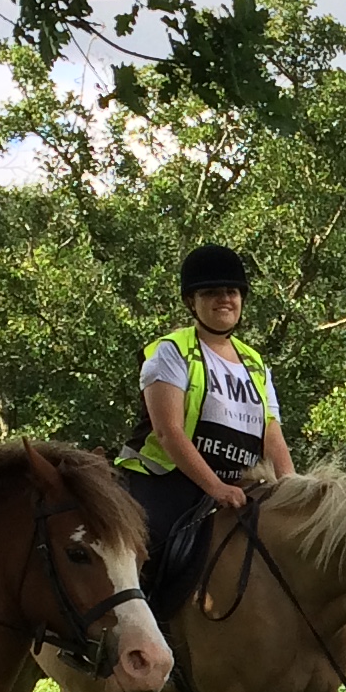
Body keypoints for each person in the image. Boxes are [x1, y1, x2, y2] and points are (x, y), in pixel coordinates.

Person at [117, 242, 293, 596]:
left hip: (241, 487)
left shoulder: (256, 363)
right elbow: (169, 433)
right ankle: (129, 641)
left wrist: (296, 490)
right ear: (191, 302)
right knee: (148, 557)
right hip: (167, 482)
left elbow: (272, 437)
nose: (224, 299)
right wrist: (215, 487)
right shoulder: (170, 351)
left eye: (231, 291)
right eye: (211, 292)